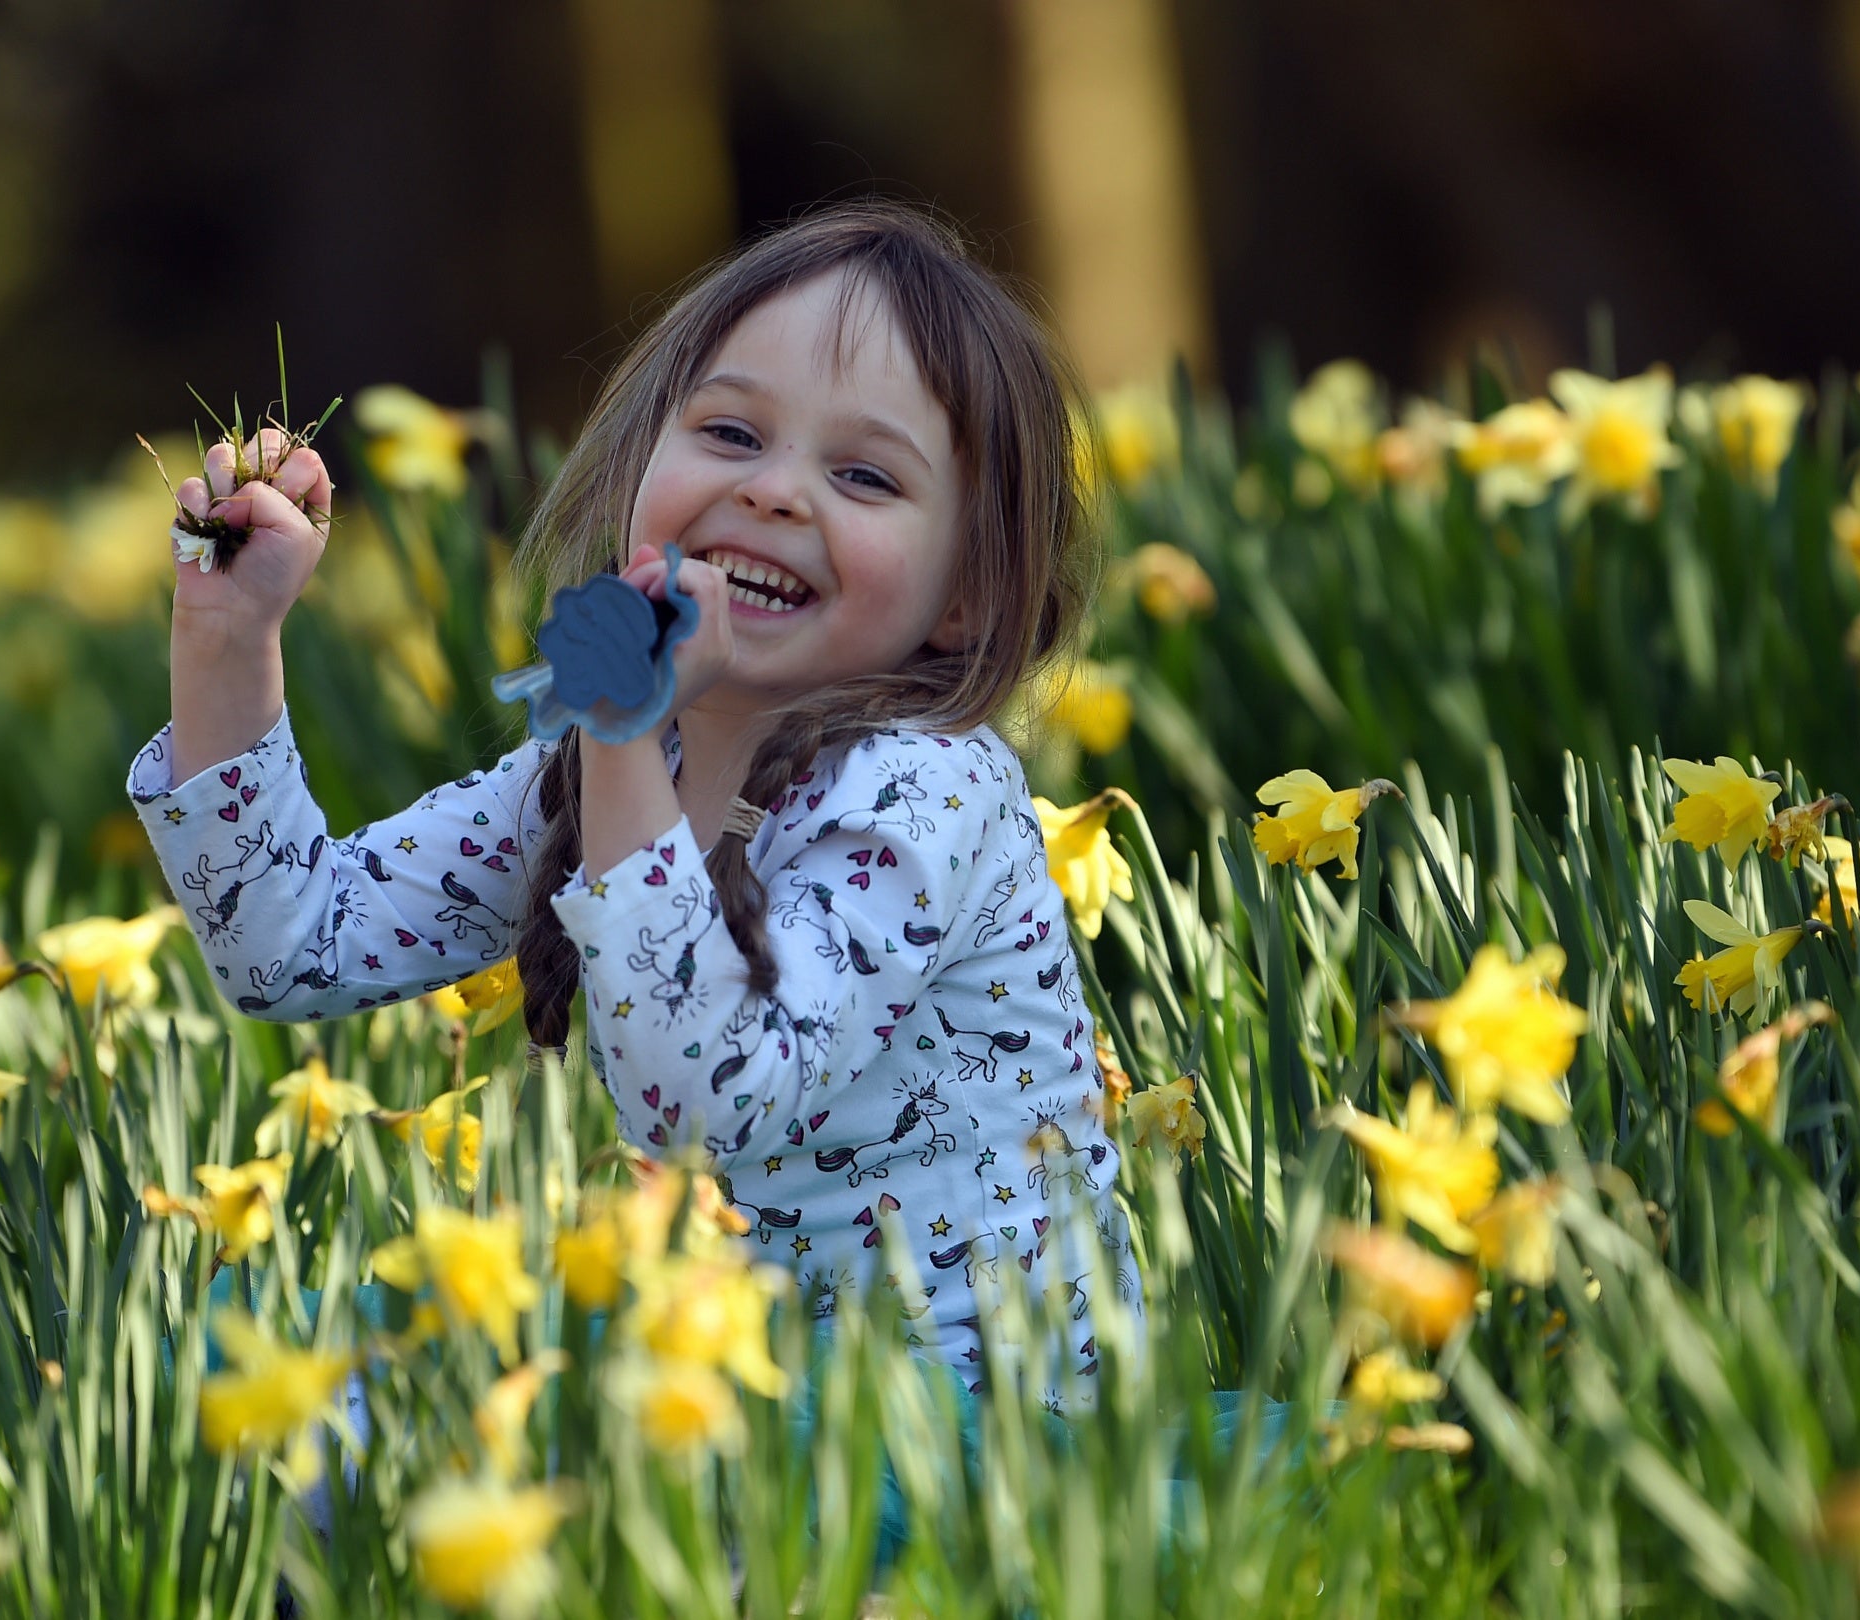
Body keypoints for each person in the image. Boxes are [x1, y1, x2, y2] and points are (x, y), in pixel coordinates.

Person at [126, 201, 1136, 1388]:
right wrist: (228, 637)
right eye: (729, 432)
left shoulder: (922, 790)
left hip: (974, 1417)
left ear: (965, 597)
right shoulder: (593, 765)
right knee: (288, 1393)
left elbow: (704, 1103)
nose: (774, 493)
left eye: (863, 474)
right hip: (735, 1371)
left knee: (394, 1430)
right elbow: (291, 947)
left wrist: (621, 729)